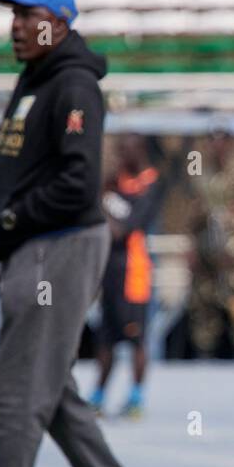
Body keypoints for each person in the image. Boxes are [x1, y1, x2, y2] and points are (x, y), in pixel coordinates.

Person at [0, 0, 170, 467]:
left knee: (16, 384)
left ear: (57, 20)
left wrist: (9, 221)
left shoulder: (74, 84)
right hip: (40, 246)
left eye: (27, 16)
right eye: (12, 17)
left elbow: (78, 183)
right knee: (50, 387)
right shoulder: (37, 78)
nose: (16, 27)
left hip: (58, 245)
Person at [90, 133, 168, 417]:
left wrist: (104, 209)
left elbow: (126, 228)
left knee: (136, 339)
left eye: (127, 150)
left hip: (134, 275)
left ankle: (136, 398)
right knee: (106, 339)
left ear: (140, 150)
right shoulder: (112, 182)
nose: (122, 155)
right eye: (119, 150)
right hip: (109, 272)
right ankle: (97, 395)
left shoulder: (150, 183)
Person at [185, 126, 234, 358]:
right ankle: (204, 354)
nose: (216, 146)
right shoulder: (200, 170)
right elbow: (191, 211)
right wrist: (191, 247)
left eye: (221, 141)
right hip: (206, 249)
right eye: (212, 141)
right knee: (203, 308)